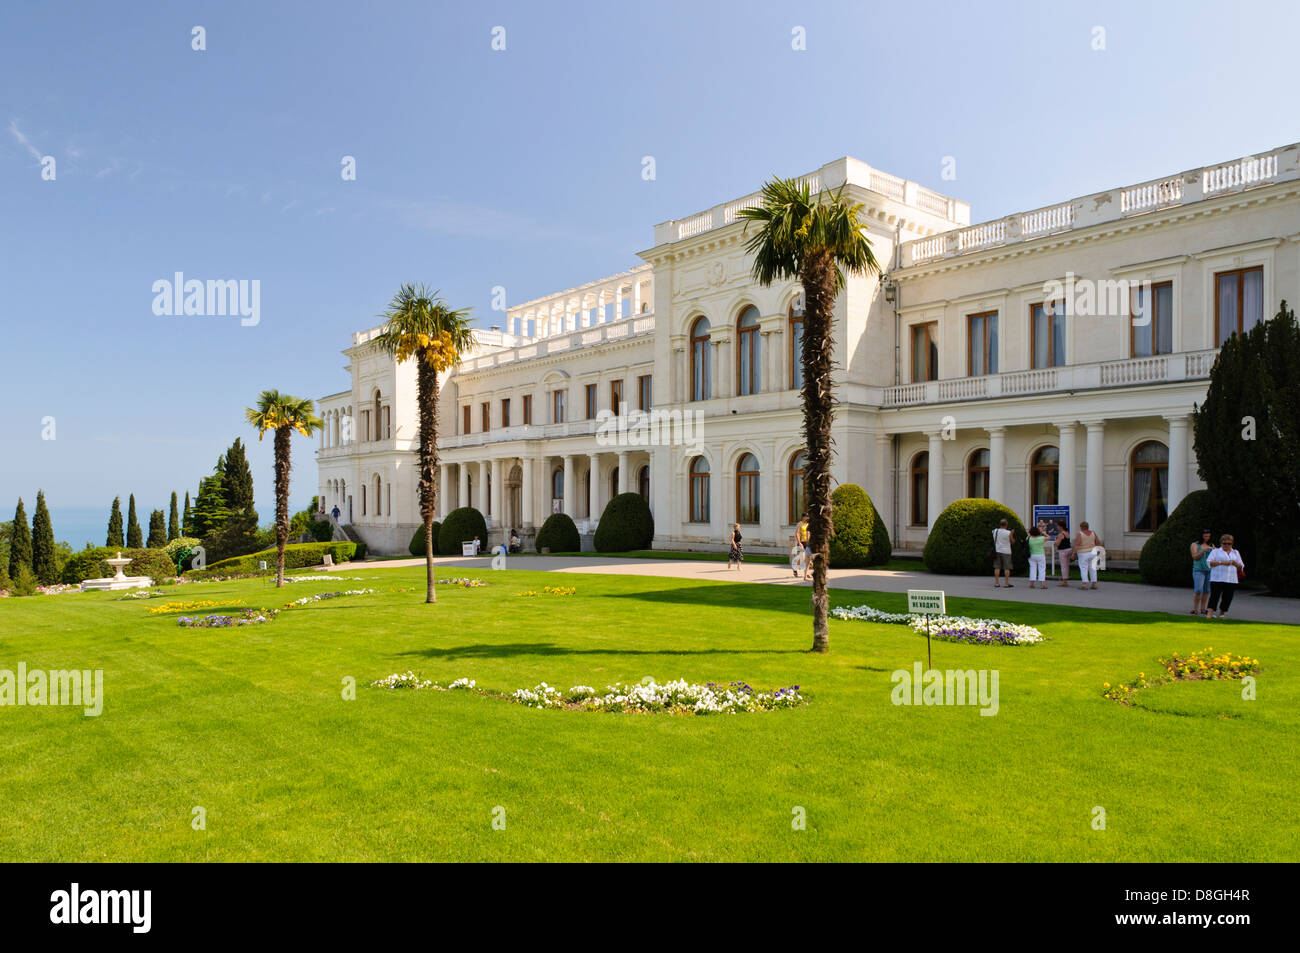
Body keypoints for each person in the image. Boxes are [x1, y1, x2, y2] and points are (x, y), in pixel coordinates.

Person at [1206, 534, 1245, 619]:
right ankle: (1210, 613)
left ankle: (1222, 613)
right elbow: (1209, 563)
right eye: (1224, 543)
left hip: (1231, 578)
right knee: (1214, 596)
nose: (1227, 545)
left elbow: (1241, 567)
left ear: (1232, 544)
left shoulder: (1236, 552)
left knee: (1228, 597)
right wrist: (1222, 562)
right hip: (1217, 578)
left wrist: (1236, 564)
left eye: (1229, 543)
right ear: (1221, 543)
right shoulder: (1215, 552)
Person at [1190, 529, 1213, 615]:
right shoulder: (1195, 545)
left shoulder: (1210, 545)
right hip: (1198, 570)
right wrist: (1203, 551)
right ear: (1201, 536)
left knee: (1207, 590)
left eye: (1209, 536)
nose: (1207, 538)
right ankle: (1195, 609)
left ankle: (1203, 609)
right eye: (1205, 536)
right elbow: (1195, 557)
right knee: (1198, 589)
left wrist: (1215, 550)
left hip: (1209, 570)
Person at [1074, 521, 1102, 589]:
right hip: (1093, 553)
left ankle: (1084, 584)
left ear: (1081, 527)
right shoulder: (1093, 533)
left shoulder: (1080, 534)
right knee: (1093, 568)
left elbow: (1077, 544)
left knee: (1084, 568)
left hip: (1083, 553)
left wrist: (1073, 553)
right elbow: (1098, 542)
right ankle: (1094, 584)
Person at [992, 518, 1015, 588]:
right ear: (1006, 525)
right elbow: (1013, 541)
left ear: (1000, 524)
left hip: (997, 550)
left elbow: (993, 533)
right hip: (1006, 551)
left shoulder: (995, 531)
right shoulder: (1008, 533)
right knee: (1007, 568)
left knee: (997, 567)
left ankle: (996, 583)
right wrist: (1012, 534)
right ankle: (1006, 583)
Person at [1053, 520, 1073, 586]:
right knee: (1067, 566)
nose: (1057, 527)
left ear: (1061, 527)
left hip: (1063, 551)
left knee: (1063, 566)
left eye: (1058, 526)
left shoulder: (1061, 534)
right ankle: (1065, 580)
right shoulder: (1067, 533)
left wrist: (1055, 541)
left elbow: (1058, 544)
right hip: (1069, 550)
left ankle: (1064, 582)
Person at [795, 514, 811, 580]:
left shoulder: (809, 524)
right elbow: (797, 533)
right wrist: (799, 542)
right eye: (807, 516)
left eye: (808, 516)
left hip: (808, 543)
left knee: (807, 558)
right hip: (802, 542)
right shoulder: (800, 524)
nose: (808, 517)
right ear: (803, 517)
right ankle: (795, 568)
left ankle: (806, 573)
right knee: (802, 558)